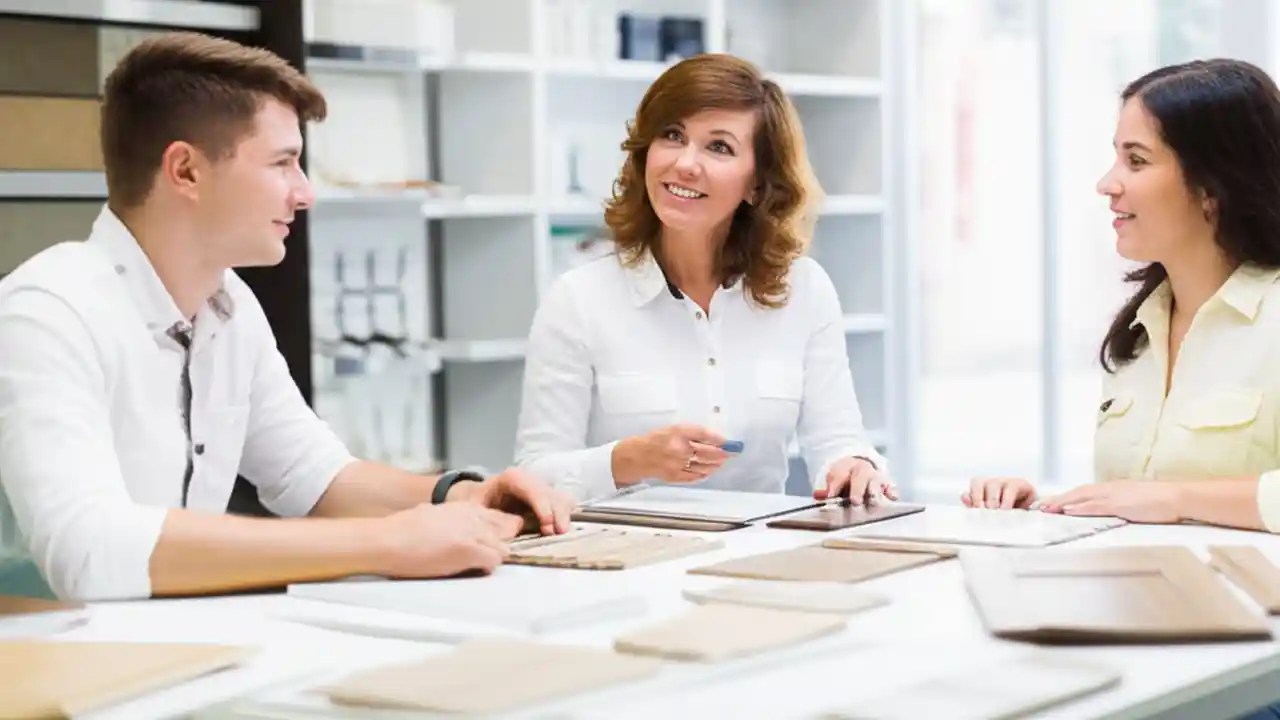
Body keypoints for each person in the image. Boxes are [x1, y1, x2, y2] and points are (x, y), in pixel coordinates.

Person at [0, 32, 574, 602]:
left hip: (174, 652)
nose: (305, 194)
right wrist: (385, 543)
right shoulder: (48, 312)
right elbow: (88, 552)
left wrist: (460, 497)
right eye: (284, 163)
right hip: (55, 672)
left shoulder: (230, 307)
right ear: (186, 171)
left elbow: (314, 475)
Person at [515, 53, 892, 503]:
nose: (685, 163)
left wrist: (854, 466)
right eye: (672, 135)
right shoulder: (578, 299)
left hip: (757, 558)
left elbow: (837, 441)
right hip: (623, 558)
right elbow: (532, 477)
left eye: (719, 147)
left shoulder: (804, 290)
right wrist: (627, 460)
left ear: (757, 185)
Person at [964, 59, 1280, 535]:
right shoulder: (1142, 330)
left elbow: (1160, 498)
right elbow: (1137, 502)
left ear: (1212, 187)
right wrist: (1044, 507)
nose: (1107, 183)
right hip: (1143, 596)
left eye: (1136, 160)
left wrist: (1173, 499)